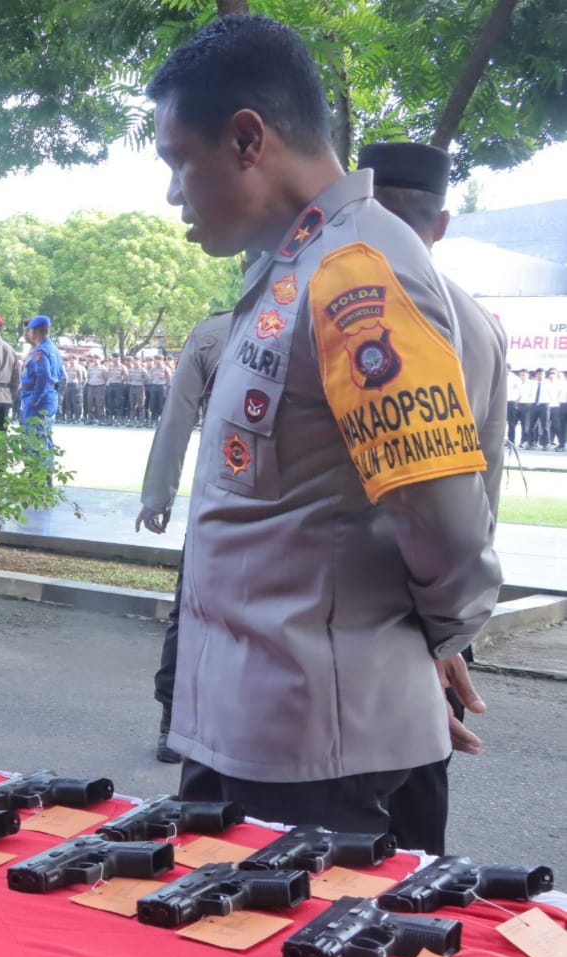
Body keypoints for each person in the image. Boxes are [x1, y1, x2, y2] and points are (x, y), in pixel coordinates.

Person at [149, 15, 500, 853]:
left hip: (310, 755)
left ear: (245, 139)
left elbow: (441, 517)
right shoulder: (296, 266)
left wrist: (431, 639)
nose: (170, 194)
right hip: (256, 730)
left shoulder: (355, 273)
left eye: (176, 162)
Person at [357, 139, 510, 851]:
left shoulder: (331, 299)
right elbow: (481, 490)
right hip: (432, 618)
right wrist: (451, 634)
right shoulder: (477, 322)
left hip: (340, 629)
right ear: (440, 224)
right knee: (414, 849)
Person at [135, 311, 232, 763]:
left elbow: (177, 417)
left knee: (191, 613)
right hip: (292, 511)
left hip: (221, 496)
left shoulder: (214, 332)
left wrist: (158, 496)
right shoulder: (321, 320)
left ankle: (173, 723)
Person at [18, 316, 63, 467]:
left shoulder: (41, 351)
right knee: (45, 438)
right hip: (49, 397)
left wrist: (35, 398)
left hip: (37, 399)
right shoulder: (53, 349)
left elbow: (43, 375)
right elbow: (62, 376)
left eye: (29, 330)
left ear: (35, 331)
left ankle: (37, 480)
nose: (28, 333)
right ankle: (46, 479)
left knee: (35, 440)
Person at [61, 355, 84, 423]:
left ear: (76, 360)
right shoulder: (67, 368)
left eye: (73, 359)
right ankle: (69, 417)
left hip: (76, 385)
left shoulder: (79, 368)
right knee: (68, 401)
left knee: (76, 402)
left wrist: (80, 385)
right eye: (70, 359)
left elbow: (83, 378)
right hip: (68, 385)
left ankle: (77, 417)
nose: (72, 361)